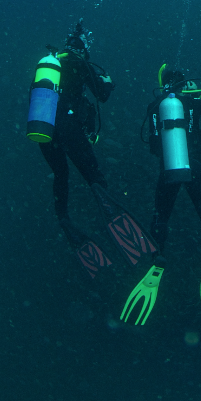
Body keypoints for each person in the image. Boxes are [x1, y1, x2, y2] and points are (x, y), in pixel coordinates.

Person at [36, 21, 154, 278]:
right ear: (83, 49)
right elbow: (101, 95)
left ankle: (63, 217)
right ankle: (113, 215)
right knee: (94, 177)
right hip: (68, 127)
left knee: (61, 174)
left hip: (44, 128)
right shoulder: (80, 63)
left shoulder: (52, 62)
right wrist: (108, 82)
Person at [120, 65, 201, 324]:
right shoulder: (192, 101)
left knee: (161, 215)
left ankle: (157, 258)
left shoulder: (156, 105)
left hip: (168, 169)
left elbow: (153, 144)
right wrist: (191, 93)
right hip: (194, 166)